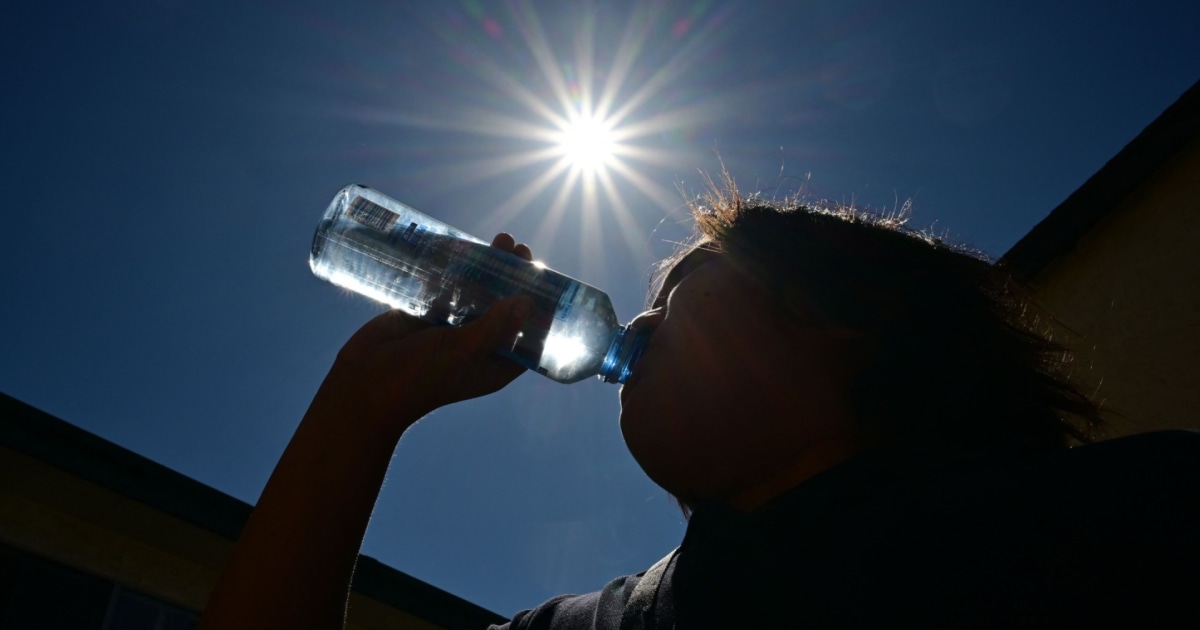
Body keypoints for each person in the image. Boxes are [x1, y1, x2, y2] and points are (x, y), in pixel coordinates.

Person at [199, 177, 1200, 629]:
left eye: (677, 292)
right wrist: (359, 408)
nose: (639, 320)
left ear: (845, 321)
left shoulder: (1126, 527)